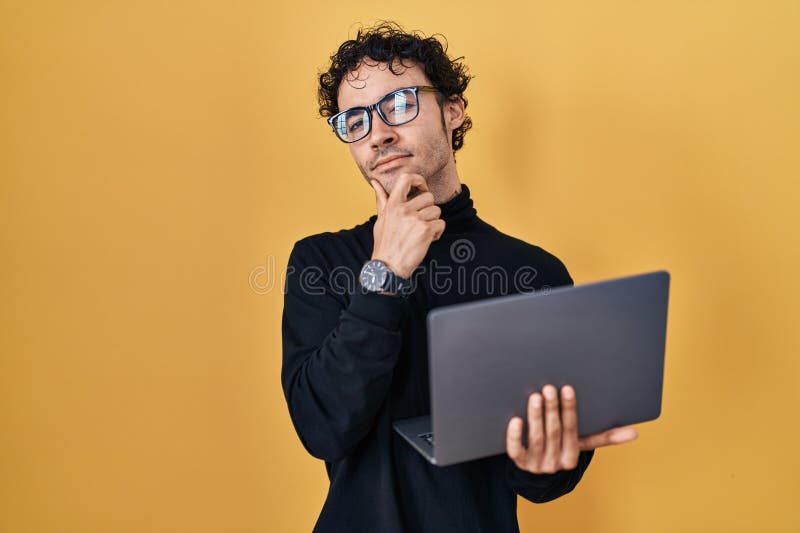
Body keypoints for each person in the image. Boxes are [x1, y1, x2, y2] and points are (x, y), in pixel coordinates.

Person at [281, 22, 638, 533]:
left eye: (399, 104)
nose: (378, 133)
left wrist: (543, 461)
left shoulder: (532, 272)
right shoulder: (321, 262)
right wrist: (385, 273)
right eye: (355, 120)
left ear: (453, 110)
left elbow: (544, 481)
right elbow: (322, 429)